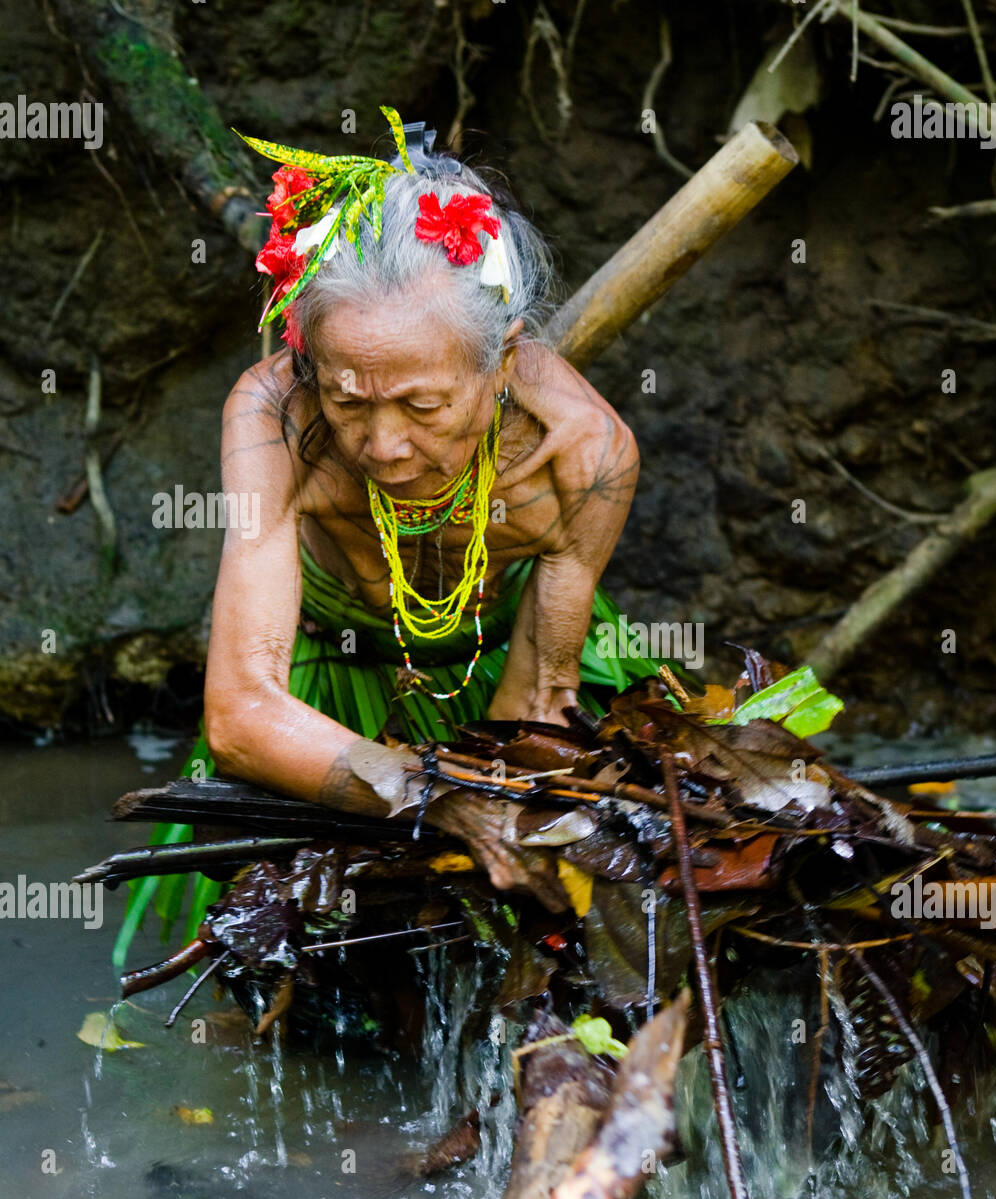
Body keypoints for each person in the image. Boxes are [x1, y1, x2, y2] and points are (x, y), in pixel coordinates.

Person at [117, 112, 662, 961]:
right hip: (322, 704)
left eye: (423, 405)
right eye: (348, 400)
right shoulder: (271, 419)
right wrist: (438, 798)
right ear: (307, 362)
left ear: (504, 361)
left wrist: (502, 811)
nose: (383, 445)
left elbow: (535, 718)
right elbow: (240, 714)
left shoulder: (584, 458)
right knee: (288, 973)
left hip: (495, 667)